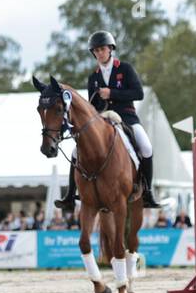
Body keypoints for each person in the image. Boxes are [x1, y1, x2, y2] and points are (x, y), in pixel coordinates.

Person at [62, 31, 160, 209]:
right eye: (96, 50)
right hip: (102, 120)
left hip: (126, 117)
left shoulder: (125, 69)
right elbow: (91, 105)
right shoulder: (94, 77)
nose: (100, 53)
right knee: (76, 152)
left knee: (146, 147)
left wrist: (112, 93)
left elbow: (138, 93)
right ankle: (70, 194)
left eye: (102, 49)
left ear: (110, 49)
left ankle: (147, 191)